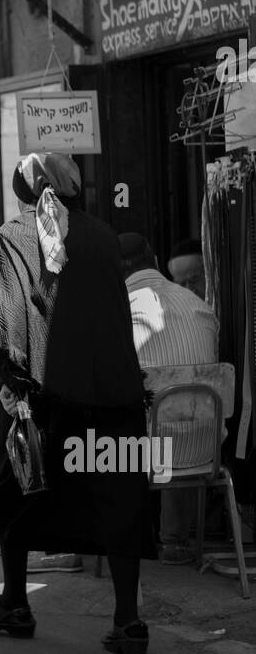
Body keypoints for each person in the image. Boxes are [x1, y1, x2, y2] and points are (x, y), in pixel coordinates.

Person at [0, 153, 156, 654]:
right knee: (118, 501)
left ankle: (14, 603)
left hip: (46, 398)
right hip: (115, 397)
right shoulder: (102, 235)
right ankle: (129, 621)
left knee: (20, 491)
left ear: (28, 191)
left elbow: (6, 320)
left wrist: (3, 379)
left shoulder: (13, 235)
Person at [120, 231, 220, 565]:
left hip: (147, 457)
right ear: (159, 264)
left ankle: (94, 539)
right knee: (179, 414)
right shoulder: (201, 306)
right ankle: (175, 540)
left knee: (92, 428)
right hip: (208, 451)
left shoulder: (121, 311)